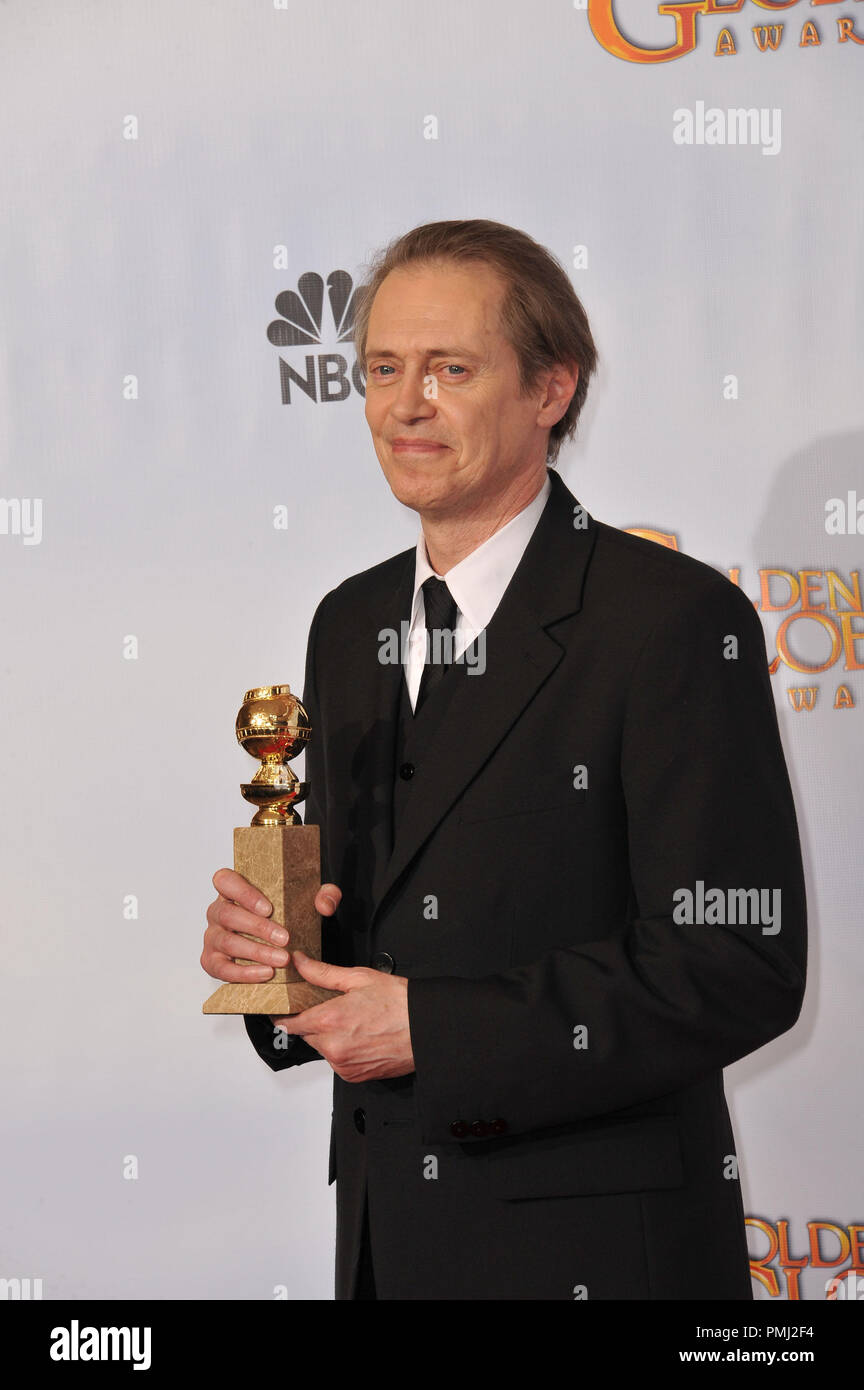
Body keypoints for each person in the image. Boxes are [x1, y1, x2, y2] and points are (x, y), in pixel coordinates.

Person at [201, 219, 807, 1300]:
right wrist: (281, 953)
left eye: (450, 368)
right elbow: (378, 926)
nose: (403, 404)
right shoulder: (350, 623)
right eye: (382, 368)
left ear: (550, 391)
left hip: (594, 1255)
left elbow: (734, 966)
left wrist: (433, 1026)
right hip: (387, 1243)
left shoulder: (666, 621)